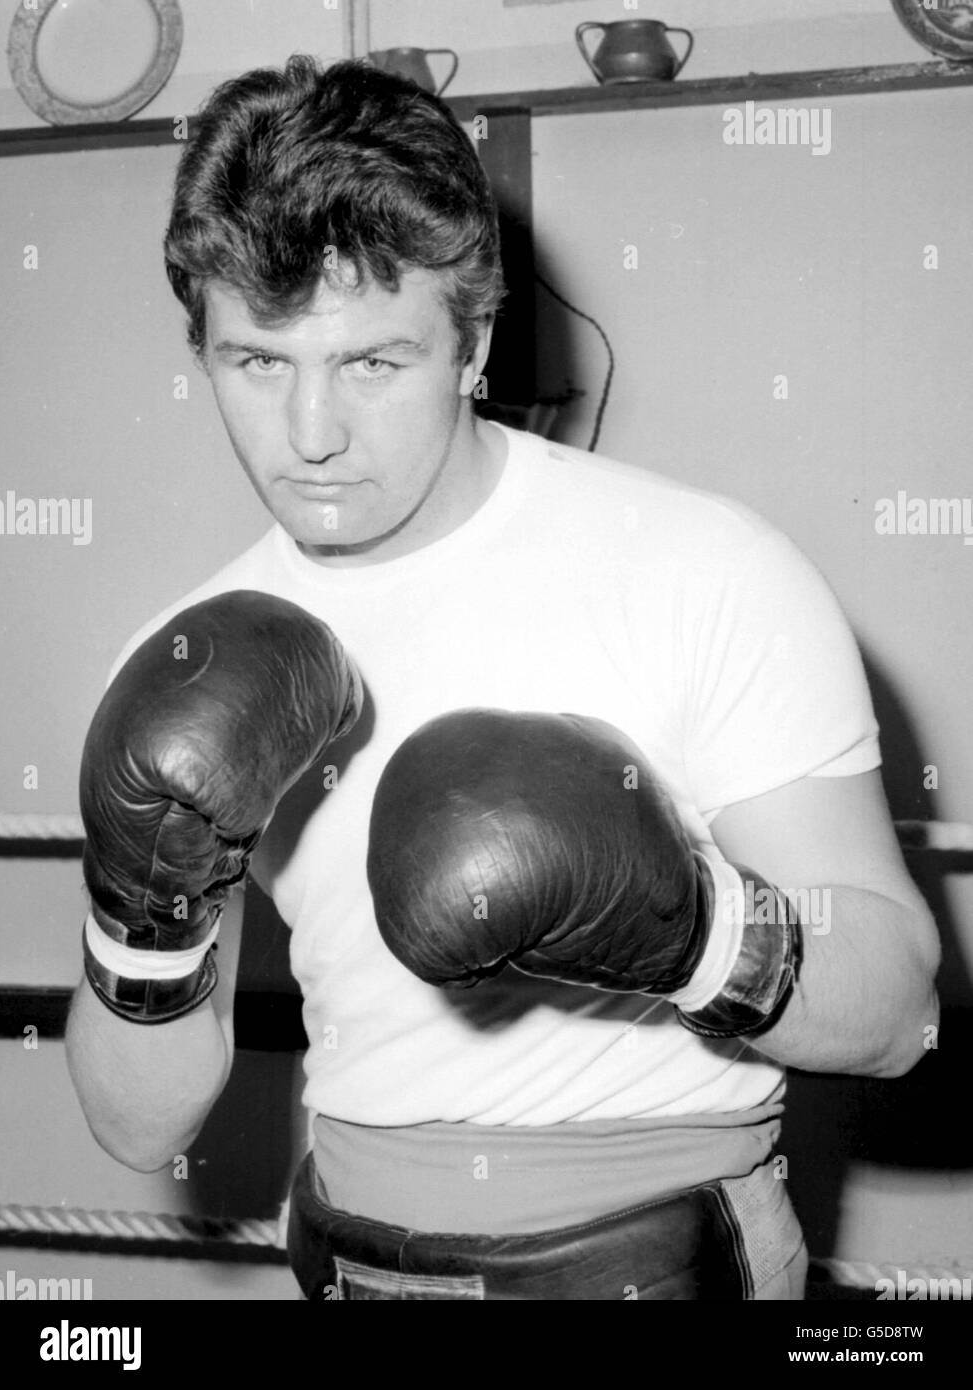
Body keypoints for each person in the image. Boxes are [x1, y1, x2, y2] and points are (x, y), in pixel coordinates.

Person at [65, 55, 940, 1301]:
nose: (310, 435)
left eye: (372, 362)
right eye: (258, 362)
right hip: (350, 1261)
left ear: (473, 340)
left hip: (664, 1262)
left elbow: (899, 1011)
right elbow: (142, 1128)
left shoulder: (706, 570)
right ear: (199, 341)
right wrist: (138, 921)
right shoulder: (195, 651)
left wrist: (691, 927)